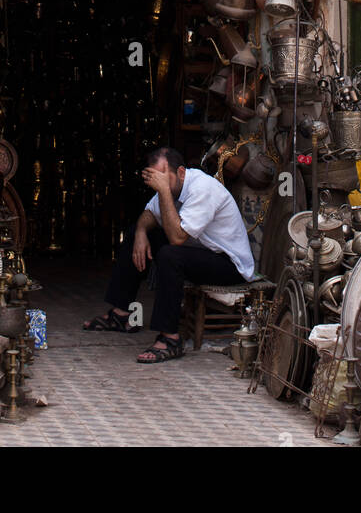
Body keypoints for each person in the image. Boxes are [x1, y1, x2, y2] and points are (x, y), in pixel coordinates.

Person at [83, 146, 254, 363]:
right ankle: (121, 315)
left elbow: (177, 238)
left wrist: (163, 190)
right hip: (198, 252)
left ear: (181, 172)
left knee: (170, 255)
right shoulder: (172, 187)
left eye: (163, 178)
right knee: (137, 232)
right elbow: (148, 214)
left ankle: (170, 338)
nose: (159, 184)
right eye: (155, 179)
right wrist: (141, 232)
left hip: (229, 264)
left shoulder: (202, 188)